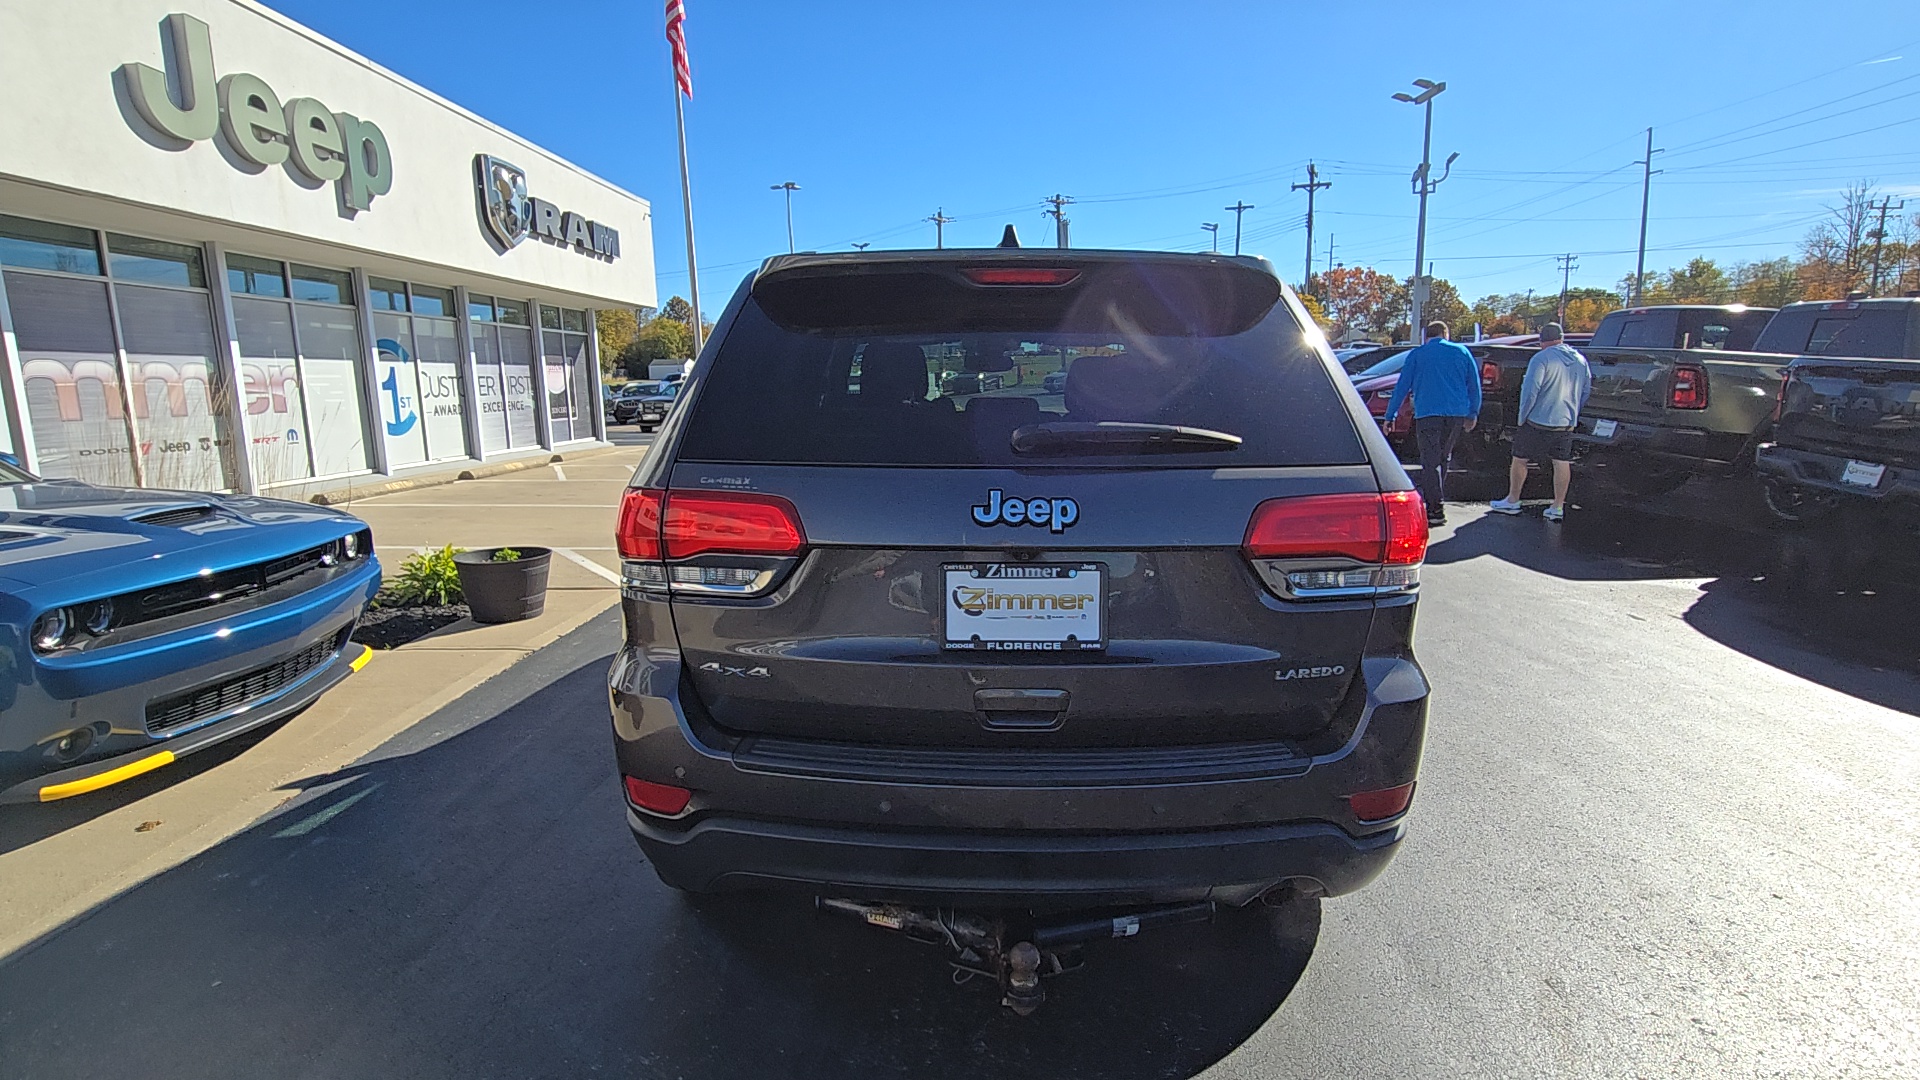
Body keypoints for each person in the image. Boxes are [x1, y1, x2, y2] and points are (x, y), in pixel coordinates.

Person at [1382, 320, 1481, 526]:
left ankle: (1435, 508)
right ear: (1446, 334)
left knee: (1430, 460)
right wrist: (1473, 413)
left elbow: (1402, 386)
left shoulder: (1417, 354)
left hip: (1427, 413)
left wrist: (1390, 415)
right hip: (1455, 414)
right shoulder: (1462, 352)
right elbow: (1474, 385)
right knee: (1444, 457)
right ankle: (1437, 499)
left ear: (1426, 336)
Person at [1490, 323, 1591, 522]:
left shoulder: (1541, 358)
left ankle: (1513, 500)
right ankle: (1557, 506)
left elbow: (1531, 391)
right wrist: (1574, 412)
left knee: (1520, 458)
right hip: (1566, 421)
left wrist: (1522, 416)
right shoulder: (1580, 360)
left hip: (1538, 420)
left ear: (1542, 341)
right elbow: (1586, 390)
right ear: (1561, 338)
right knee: (1561, 462)